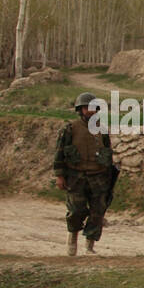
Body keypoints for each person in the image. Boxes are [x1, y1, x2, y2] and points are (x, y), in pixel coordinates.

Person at [52, 92, 117, 255]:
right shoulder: (70, 129)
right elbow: (60, 153)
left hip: (99, 177)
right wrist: (60, 176)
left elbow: (108, 153)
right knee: (76, 210)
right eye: (88, 108)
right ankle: (71, 242)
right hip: (76, 176)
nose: (91, 111)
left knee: (97, 212)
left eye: (94, 108)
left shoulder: (101, 130)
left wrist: (109, 178)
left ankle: (89, 247)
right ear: (80, 110)